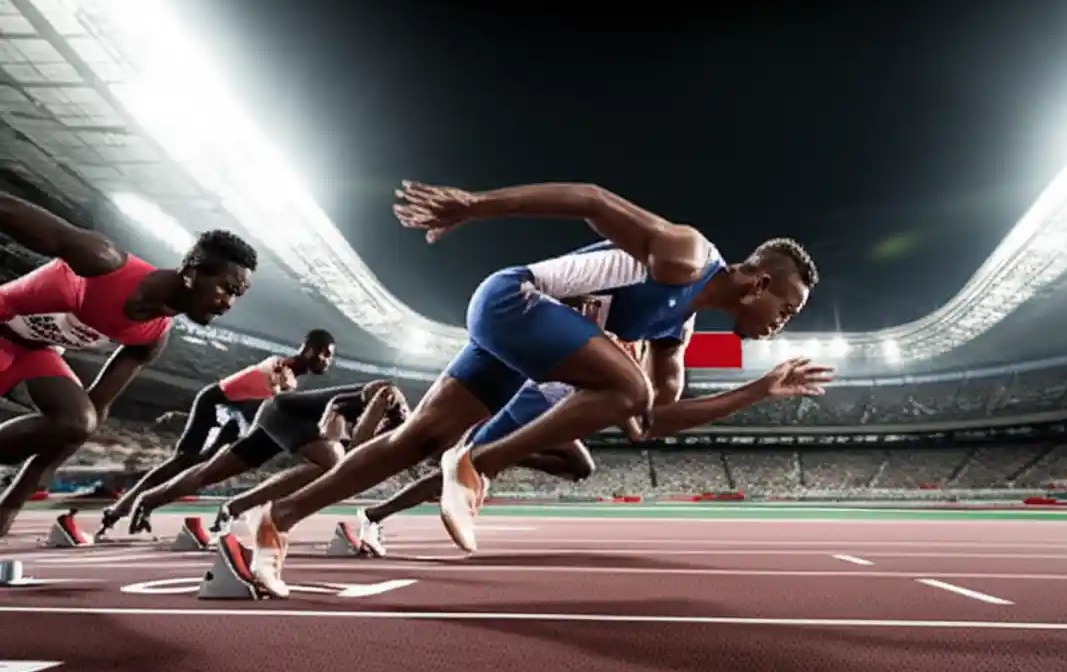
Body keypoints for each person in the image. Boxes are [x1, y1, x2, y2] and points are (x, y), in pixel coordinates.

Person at [245, 180, 822, 587]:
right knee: (626, 387)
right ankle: (473, 467)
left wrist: (758, 391)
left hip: (520, 342)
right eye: (788, 308)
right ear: (761, 282)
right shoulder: (688, 256)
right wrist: (475, 207)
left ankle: (273, 523)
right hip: (514, 299)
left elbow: (648, 423)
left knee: (415, 441)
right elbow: (594, 202)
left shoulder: (677, 329)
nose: (781, 323)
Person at [353, 353, 830, 558]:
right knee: (467, 466)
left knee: (580, 467)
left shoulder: (648, 356)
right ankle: (374, 515)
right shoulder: (632, 325)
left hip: (562, 408)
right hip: (536, 396)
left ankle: (495, 457)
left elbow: (639, 417)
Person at [0, 192, 257, 535]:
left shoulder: (152, 336)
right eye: (227, 288)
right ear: (192, 272)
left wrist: (13, 503)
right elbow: (10, 210)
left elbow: (98, 406)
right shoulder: (103, 261)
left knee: (79, 421)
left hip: (34, 351)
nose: (229, 303)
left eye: (238, 295)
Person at [95, 329, 337, 539]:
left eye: (330, 357)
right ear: (308, 350)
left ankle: (138, 505)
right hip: (219, 403)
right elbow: (257, 409)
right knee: (185, 462)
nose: (327, 361)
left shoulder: (289, 379)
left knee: (205, 469)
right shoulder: (281, 370)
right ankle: (122, 508)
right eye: (325, 354)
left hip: (234, 411)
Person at [125, 381, 408, 538]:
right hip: (286, 413)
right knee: (333, 464)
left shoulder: (392, 425)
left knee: (211, 473)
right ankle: (240, 506)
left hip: (286, 419)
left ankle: (148, 501)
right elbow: (341, 415)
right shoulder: (387, 394)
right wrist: (350, 443)